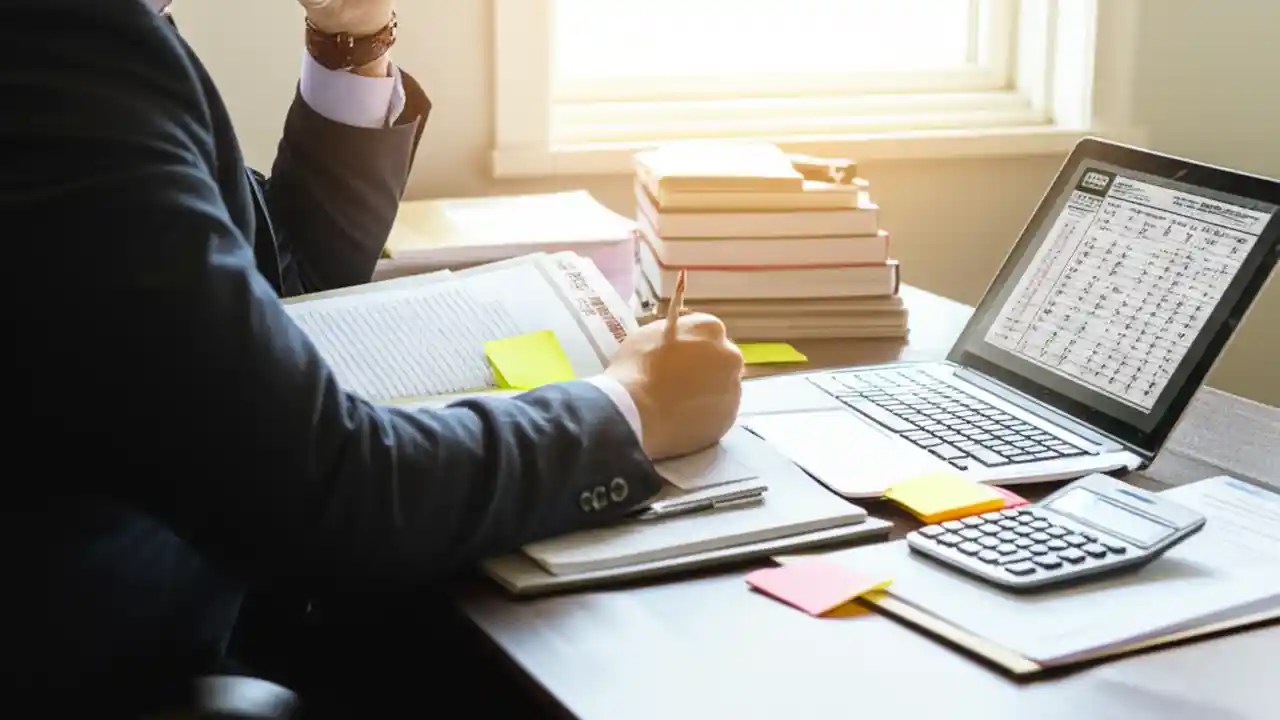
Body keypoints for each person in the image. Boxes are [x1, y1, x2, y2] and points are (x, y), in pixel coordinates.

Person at [3, 0, 744, 713]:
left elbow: (292, 294)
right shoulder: (60, 40)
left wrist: (348, 37)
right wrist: (629, 409)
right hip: (117, 660)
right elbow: (325, 489)